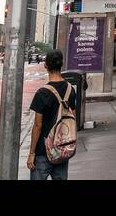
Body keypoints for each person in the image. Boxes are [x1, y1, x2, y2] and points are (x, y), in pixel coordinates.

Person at [27, 49, 78, 181]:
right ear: (61, 65)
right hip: (62, 148)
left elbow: (38, 125)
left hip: (42, 151)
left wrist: (31, 153)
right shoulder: (70, 90)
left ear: (46, 66)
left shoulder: (42, 93)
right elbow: (73, 117)